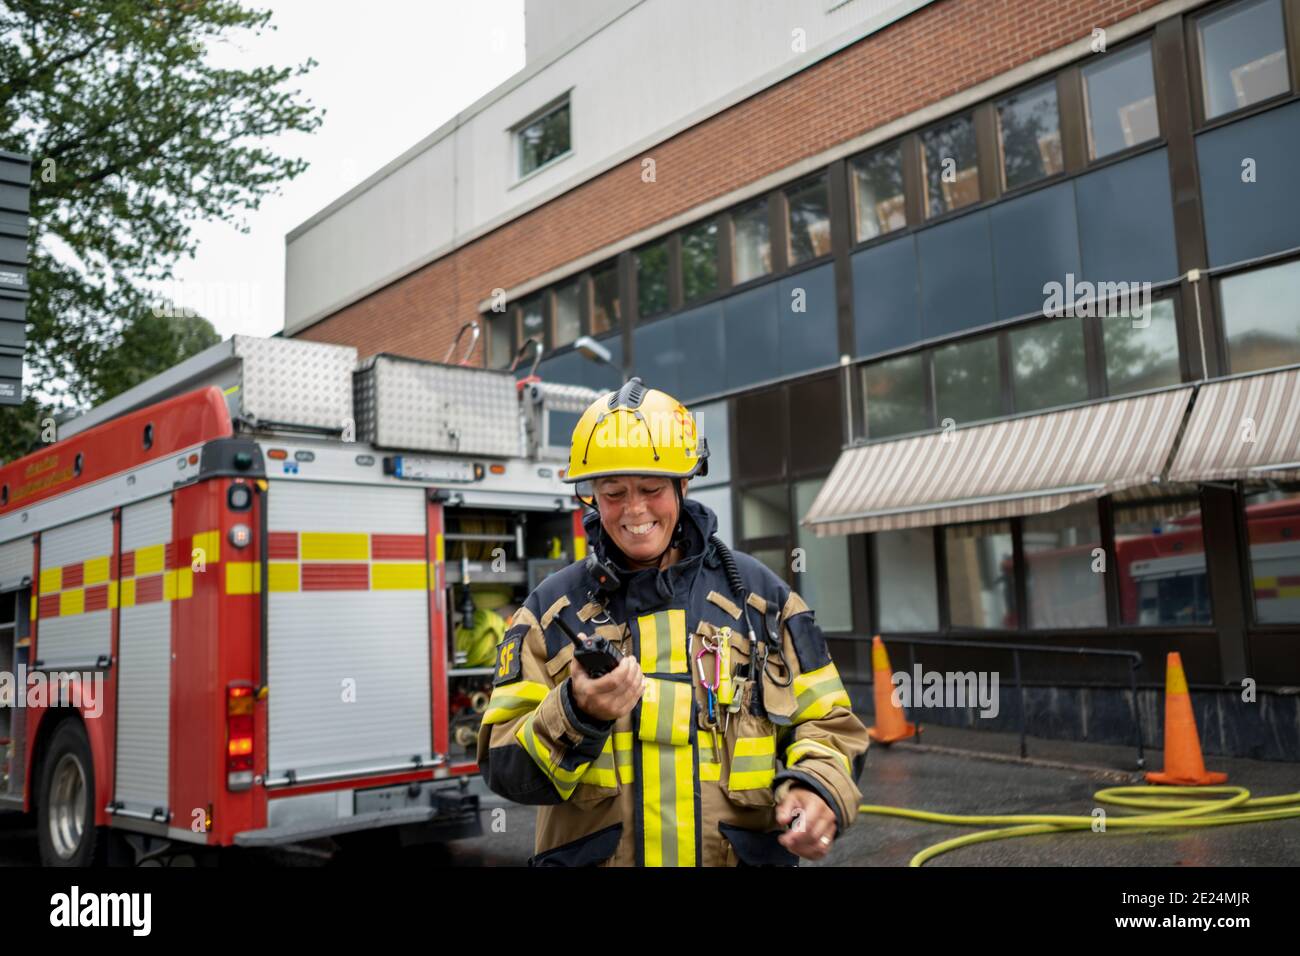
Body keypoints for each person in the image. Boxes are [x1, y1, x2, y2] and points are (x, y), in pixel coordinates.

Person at [476, 378, 869, 866]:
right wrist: (576, 712)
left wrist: (817, 790)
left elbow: (830, 724)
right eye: (613, 491)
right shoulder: (550, 612)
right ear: (592, 495)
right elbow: (506, 768)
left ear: (685, 484)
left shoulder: (761, 600)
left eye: (651, 488)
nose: (634, 510)